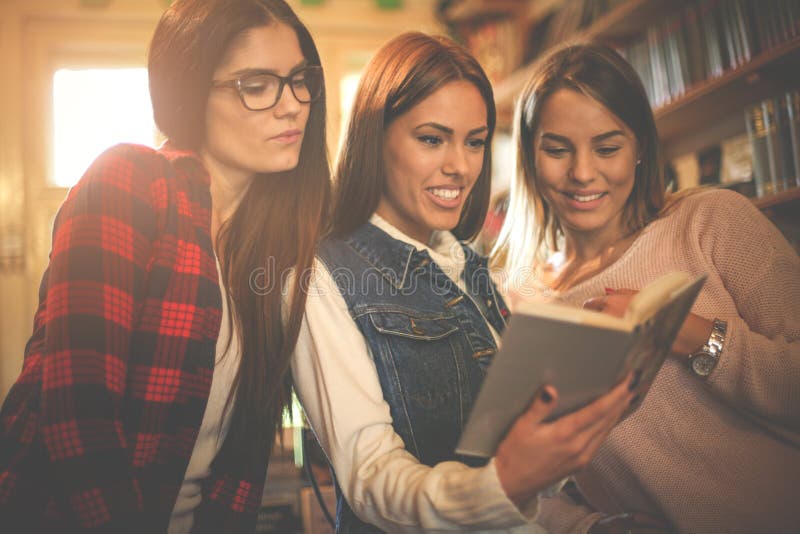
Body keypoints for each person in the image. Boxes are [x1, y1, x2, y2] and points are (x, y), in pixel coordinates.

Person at [0, 0, 330, 532]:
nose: (291, 105)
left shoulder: (271, 248)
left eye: (299, 79)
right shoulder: (131, 182)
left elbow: (241, 465)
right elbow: (78, 424)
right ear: (189, 92)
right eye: (256, 85)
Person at [291, 32, 637, 534]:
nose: (460, 165)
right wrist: (504, 481)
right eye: (432, 139)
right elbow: (372, 480)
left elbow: (519, 473)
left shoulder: (472, 269)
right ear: (375, 137)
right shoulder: (323, 273)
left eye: (474, 142)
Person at [492, 42, 800, 534]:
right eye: (557, 149)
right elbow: (521, 482)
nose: (583, 173)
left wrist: (686, 333)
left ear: (639, 148)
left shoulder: (712, 221)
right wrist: (588, 526)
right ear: (529, 155)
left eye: (607, 147)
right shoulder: (518, 299)